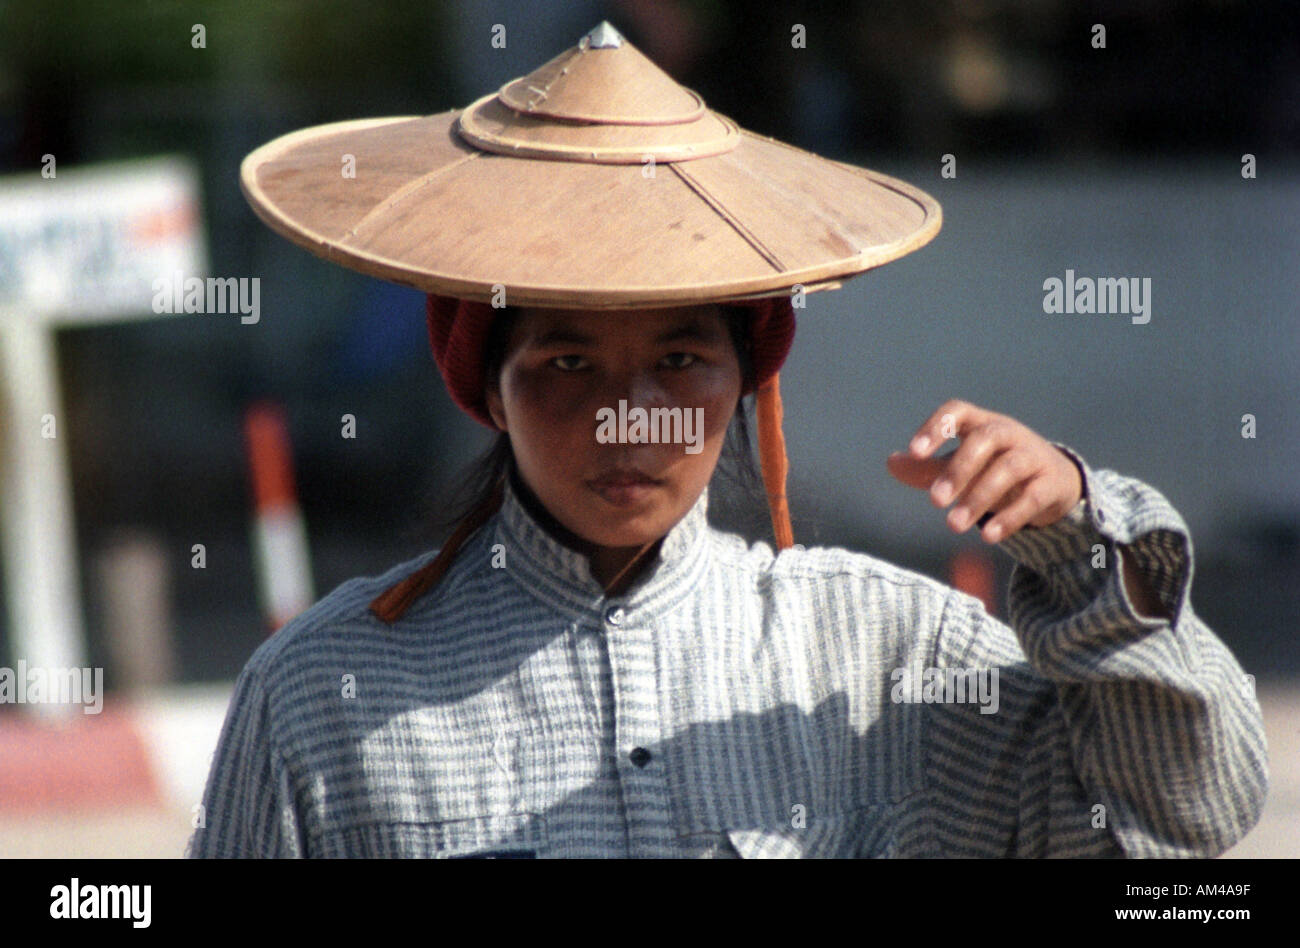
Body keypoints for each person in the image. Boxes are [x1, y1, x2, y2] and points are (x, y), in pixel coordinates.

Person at [188, 23, 1267, 858]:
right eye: (566, 363)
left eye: (679, 360)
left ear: (746, 380)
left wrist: (1080, 538)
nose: (629, 413)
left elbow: (1187, 819)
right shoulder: (321, 690)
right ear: (487, 384)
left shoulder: (888, 656)